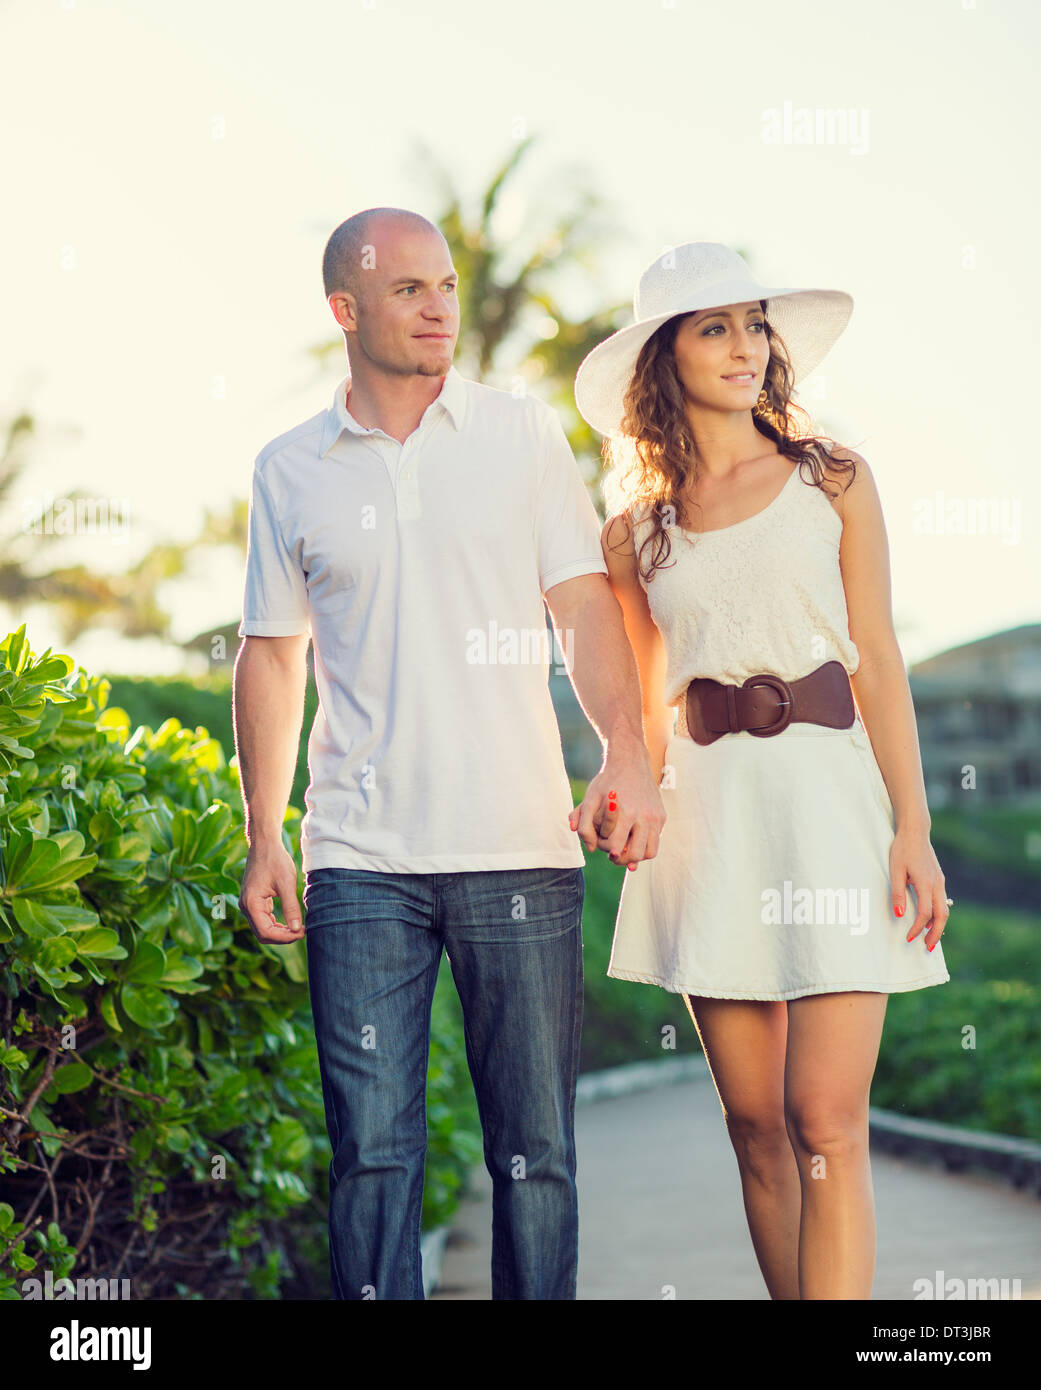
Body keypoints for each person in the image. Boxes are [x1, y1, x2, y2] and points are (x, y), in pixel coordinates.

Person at [232, 206, 665, 1300]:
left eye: (447, 287)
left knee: (535, 1158)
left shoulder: (519, 436)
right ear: (346, 308)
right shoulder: (290, 469)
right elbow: (272, 659)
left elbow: (584, 607)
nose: (439, 308)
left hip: (521, 846)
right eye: (410, 290)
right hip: (358, 861)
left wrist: (629, 751)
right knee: (373, 1156)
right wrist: (262, 835)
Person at [572, 241, 951, 1300]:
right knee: (756, 1127)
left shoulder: (832, 476)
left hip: (833, 806)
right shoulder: (632, 535)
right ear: (663, 358)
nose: (745, 346)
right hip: (711, 827)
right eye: (714, 327)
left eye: (753, 323)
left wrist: (911, 827)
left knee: (826, 1120)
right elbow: (643, 714)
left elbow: (876, 660)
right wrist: (620, 783)